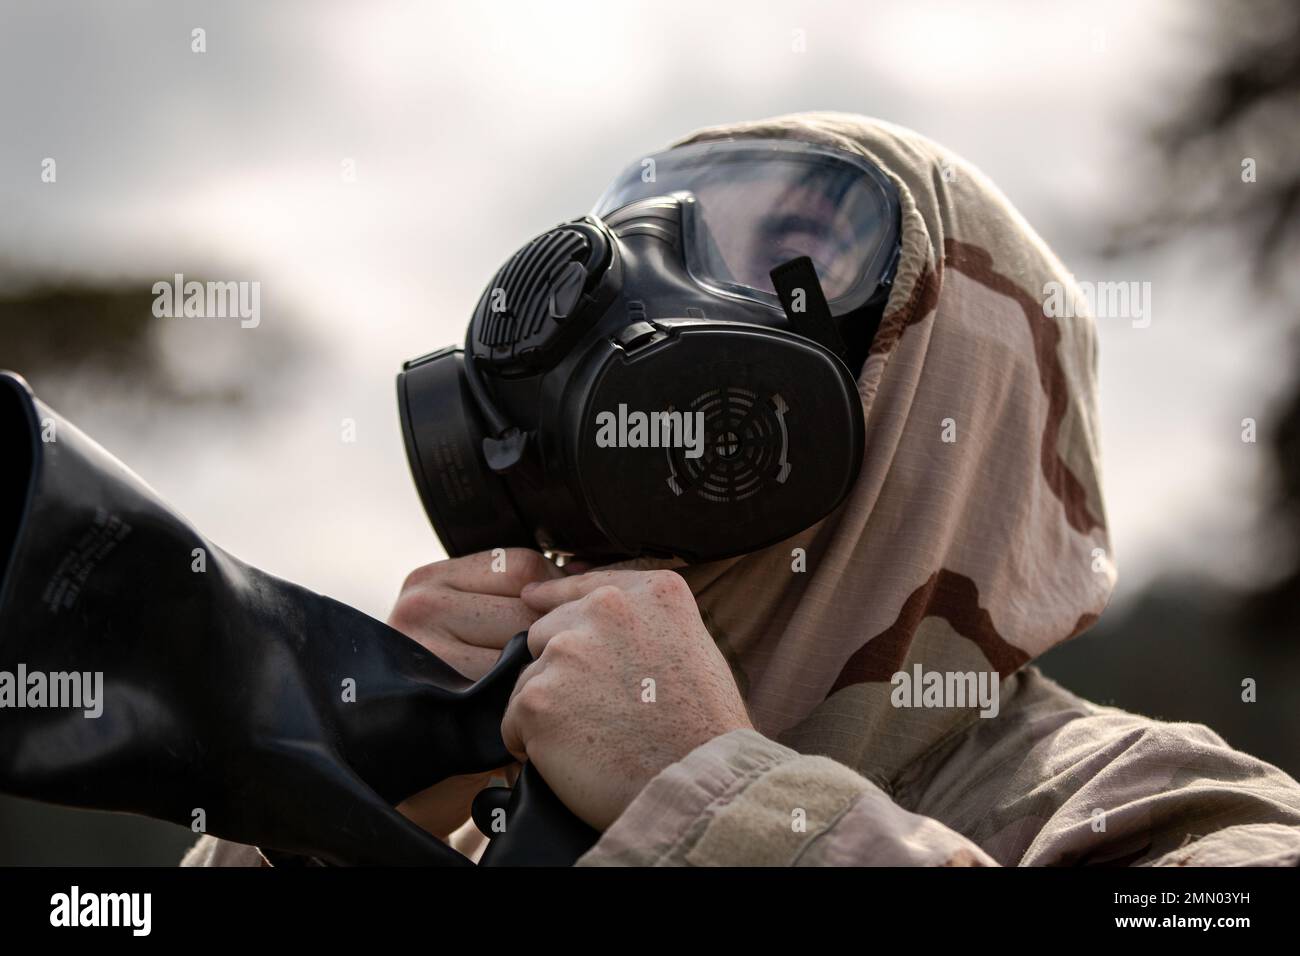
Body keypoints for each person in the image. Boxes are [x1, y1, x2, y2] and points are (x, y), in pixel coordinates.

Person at [184, 112, 1300, 867]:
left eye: (791, 255)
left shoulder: (1152, 807)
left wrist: (712, 800)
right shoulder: (471, 797)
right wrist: (324, 808)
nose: (637, 295)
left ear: (938, 391)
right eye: (644, 240)